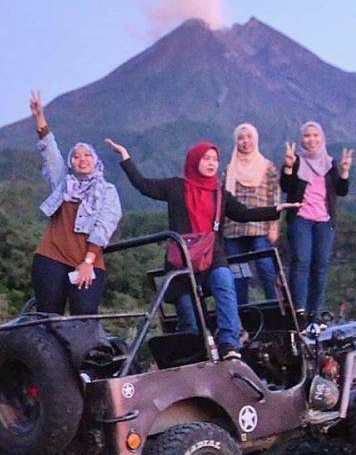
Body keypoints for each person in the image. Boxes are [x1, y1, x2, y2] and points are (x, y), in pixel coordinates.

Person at [108, 138, 300, 360]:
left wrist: (276, 209)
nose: (212, 163)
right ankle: (198, 355)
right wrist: (125, 156)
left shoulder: (219, 194)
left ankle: (229, 343)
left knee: (225, 285)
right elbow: (143, 185)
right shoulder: (176, 187)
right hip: (182, 257)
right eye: (206, 158)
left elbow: (244, 213)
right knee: (189, 318)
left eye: (215, 159)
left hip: (212, 254)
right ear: (194, 160)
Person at [29, 90, 122, 316]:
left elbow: (104, 226)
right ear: (71, 162)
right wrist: (39, 117)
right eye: (77, 156)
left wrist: (88, 261)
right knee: (48, 317)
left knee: (84, 316)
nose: (82, 160)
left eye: (87, 155)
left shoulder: (107, 191)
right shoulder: (63, 182)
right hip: (52, 256)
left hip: (88, 261)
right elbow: (50, 152)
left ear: (96, 161)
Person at [280, 121, 353, 324]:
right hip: (301, 218)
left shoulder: (330, 164)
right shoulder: (296, 161)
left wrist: (345, 171)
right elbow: (285, 186)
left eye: (315, 135)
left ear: (322, 138)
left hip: (324, 221)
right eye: (307, 136)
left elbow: (341, 191)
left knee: (320, 266)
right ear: (301, 139)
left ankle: (315, 311)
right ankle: (299, 310)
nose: (311, 140)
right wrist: (287, 166)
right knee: (301, 262)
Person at [221, 123, 282, 305]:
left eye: (249, 137)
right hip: (233, 229)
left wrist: (274, 225)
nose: (245, 141)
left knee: (265, 267)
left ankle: (275, 307)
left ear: (255, 139)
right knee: (239, 273)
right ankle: (242, 313)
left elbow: (275, 197)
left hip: (260, 227)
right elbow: (223, 198)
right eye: (241, 138)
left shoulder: (267, 167)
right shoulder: (229, 169)